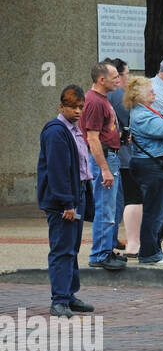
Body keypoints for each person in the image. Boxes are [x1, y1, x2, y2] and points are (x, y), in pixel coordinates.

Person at [37, 85, 96, 317]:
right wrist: (67, 204)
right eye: (73, 107)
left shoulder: (74, 129)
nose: (78, 111)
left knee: (72, 247)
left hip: (76, 195)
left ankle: (69, 295)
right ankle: (59, 299)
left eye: (81, 107)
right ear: (61, 107)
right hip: (63, 201)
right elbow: (58, 170)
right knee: (62, 249)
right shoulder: (56, 131)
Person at [126, 75, 163, 267]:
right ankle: (150, 254)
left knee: (156, 210)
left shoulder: (145, 110)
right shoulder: (141, 114)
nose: (154, 93)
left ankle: (151, 251)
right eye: (150, 91)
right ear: (138, 95)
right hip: (152, 167)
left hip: (153, 165)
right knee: (154, 212)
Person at [80, 61, 126, 270]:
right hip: (104, 160)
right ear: (101, 80)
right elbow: (93, 138)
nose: (118, 80)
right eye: (115, 76)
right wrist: (105, 169)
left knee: (112, 207)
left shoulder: (102, 100)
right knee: (105, 208)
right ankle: (99, 254)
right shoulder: (95, 102)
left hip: (111, 158)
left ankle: (106, 249)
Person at [105, 58, 143, 258]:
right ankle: (110, 241)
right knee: (120, 202)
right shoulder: (119, 95)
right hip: (123, 157)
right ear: (118, 75)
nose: (128, 78)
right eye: (126, 73)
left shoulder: (105, 95)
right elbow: (131, 118)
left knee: (112, 202)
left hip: (115, 156)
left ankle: (111, 239)